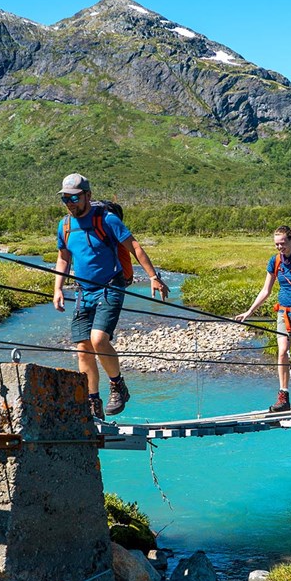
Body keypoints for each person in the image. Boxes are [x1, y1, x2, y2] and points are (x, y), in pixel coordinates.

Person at [53, 173, 169, 419]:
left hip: (110, 286)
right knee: (83, 348)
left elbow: (134, 246)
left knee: (98, 340)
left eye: (74, 198)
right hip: (84, 290)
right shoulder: (65, 226)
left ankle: (118, 386)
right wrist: (58, 288)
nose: (70, 203)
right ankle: (92, 401)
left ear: (88, 195)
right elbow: (63, 258)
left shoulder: (106, 219)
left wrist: (153, 276)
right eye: (65, 199)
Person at [234, 226, 291, 412]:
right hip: (283, 312)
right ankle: (283, 397)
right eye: (276, 244)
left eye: (282, 243)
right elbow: (265, 290)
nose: (279, 247)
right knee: (282, 352)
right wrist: (249, 312)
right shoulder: (275, 261)